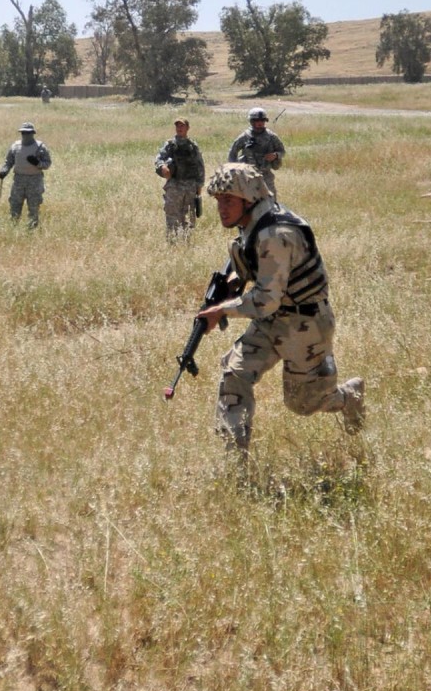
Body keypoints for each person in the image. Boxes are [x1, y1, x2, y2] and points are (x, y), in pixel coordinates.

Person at [195, 163, 365, 459]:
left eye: (229, 200)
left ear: (249, 199)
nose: (222, 208)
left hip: (305, 323)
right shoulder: (253, 223)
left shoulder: (275, 233)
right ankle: (235, 464)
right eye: (219, 200)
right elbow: (260, 274)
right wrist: (233, 282)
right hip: (271, 320)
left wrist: (220, 311)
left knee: (303, 403)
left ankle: (349, 397)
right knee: (234, 375)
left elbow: (265, 299)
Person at [154, 117, 205, 243]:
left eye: (182, 126)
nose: (179, 128)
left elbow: (200, 166)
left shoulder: (193, 146)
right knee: (172, 215)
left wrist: (199, 185)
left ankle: (186, 243)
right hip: (174, 185)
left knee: (188, 217)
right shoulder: (170, 144)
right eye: (177, 126)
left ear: (188, 128)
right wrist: (163, 167)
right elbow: (159, 158)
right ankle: (172, 242)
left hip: (190, 187)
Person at [0, 122, 52, 229]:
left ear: (33, 133)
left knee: (33, 207)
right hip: (18, 181)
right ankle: (13, 228)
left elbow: (47, 164)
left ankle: (32, 230)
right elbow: (9, 162)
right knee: (14, 205)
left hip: (35, 181)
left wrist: (37, 163)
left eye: (28, 132)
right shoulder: (15, 146)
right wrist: (4, 170)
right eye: (23, 132)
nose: (25, 135)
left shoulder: (40, 147)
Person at [227, 108, 285, 201]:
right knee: (249, 201)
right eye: (257, 121)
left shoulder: (271, 136)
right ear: (251, 121)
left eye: (262, 120)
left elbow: (282, 151)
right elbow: (232, 152)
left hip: (266, 174)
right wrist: (234, 171)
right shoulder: (245, 136)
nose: (260, 123)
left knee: (271, 200)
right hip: (248, 175)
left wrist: (275, 155)